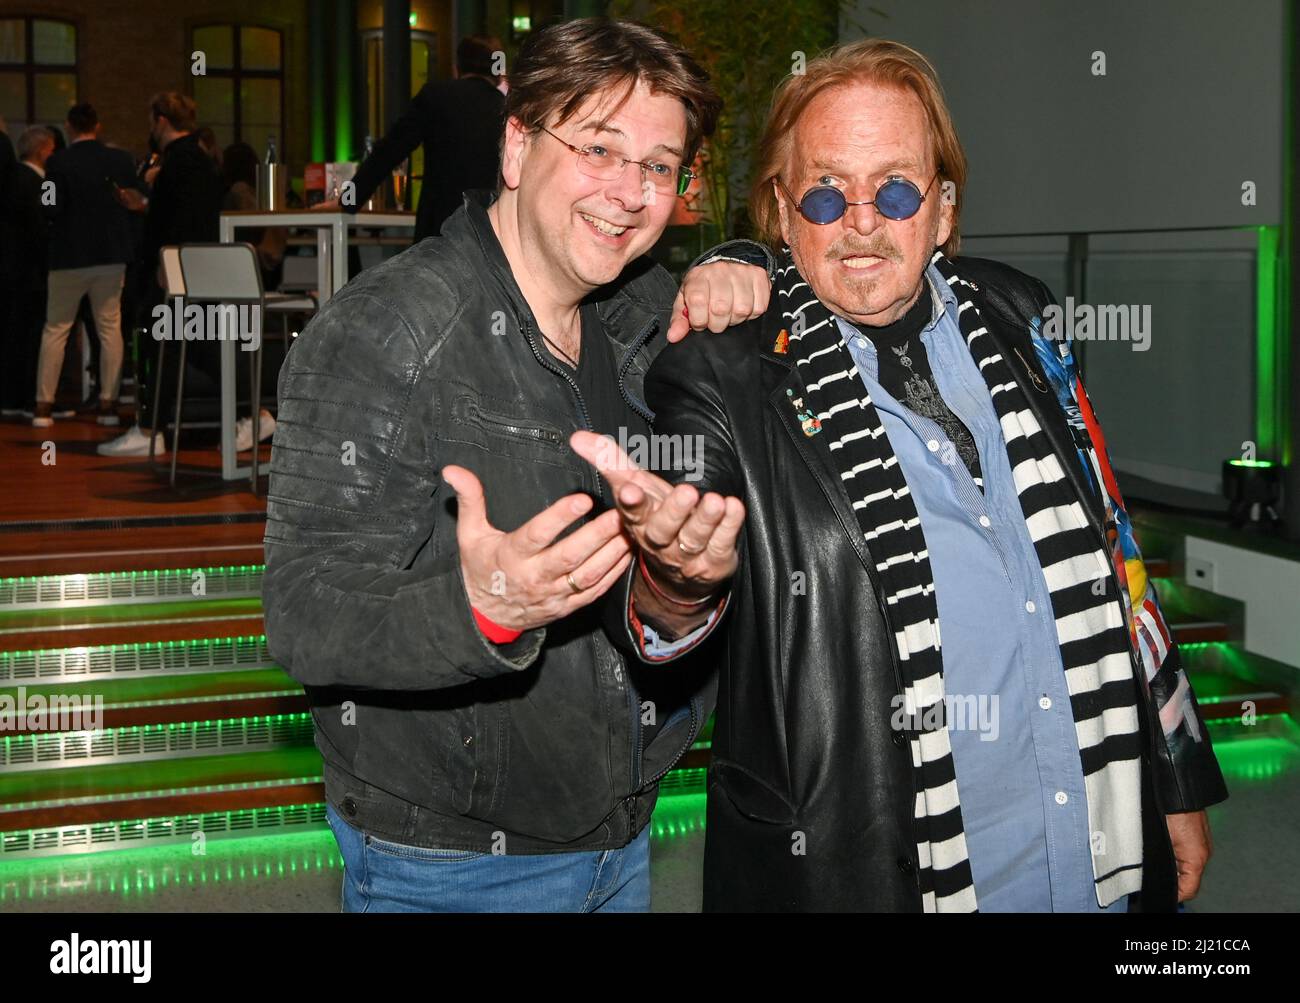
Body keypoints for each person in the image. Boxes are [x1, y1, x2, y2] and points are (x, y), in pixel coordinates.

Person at [575, 38, 1228, 912]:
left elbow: (1116, 548)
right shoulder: (721, 374)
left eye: (894, 188)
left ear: (944, 208)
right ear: (779, 206)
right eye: (823, 190)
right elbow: (665, 604)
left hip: (1098, 853)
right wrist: (674, 575)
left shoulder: (1023, 312)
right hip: (871, 869)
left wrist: (1174, 773)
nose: (861, 220)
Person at [262, 17, 771, 913]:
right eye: (600, 149)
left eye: (658, 166)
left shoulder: (651, 315)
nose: (629, 192)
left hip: (622, 832)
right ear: (517, 145)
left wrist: (748, 260)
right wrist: (480, 611)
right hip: (450, 861)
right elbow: (301, 611)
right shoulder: (385, 331)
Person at [99, 91, 225, 457]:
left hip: (177, 269)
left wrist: (164, 263)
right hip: (188, 267)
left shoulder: (181, 160)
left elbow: (181, 219)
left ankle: (152, 430)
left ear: (161, 120)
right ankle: (155, 428)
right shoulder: (194, 158)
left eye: (150, 119)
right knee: (187, 346)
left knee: (175, 346)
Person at [315, 34, 507, 241]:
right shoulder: (508, 109)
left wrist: (349, 198)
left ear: (456, 67)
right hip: (492, 233)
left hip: (440, 230)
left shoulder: (436, 97)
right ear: (497, 70)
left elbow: (389, 151)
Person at [32, 104, 143, 429]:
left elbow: (49, 205)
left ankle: (43, 406)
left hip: (68, 256)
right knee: (110, 328)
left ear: (69, 126)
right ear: (98, 125)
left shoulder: (58, 161)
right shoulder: (120, 160)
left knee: (56, 329)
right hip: (111, 255)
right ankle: (108, 404)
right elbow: (135, 198)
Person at [2, 127, 56, 420]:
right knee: (31, 333)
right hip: (32, 271)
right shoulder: (41, 184)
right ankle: (26, 396)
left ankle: (10, 396)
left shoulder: (11, 178)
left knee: (13, 333)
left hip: (10, 268)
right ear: (43, 150)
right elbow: (44, 225)